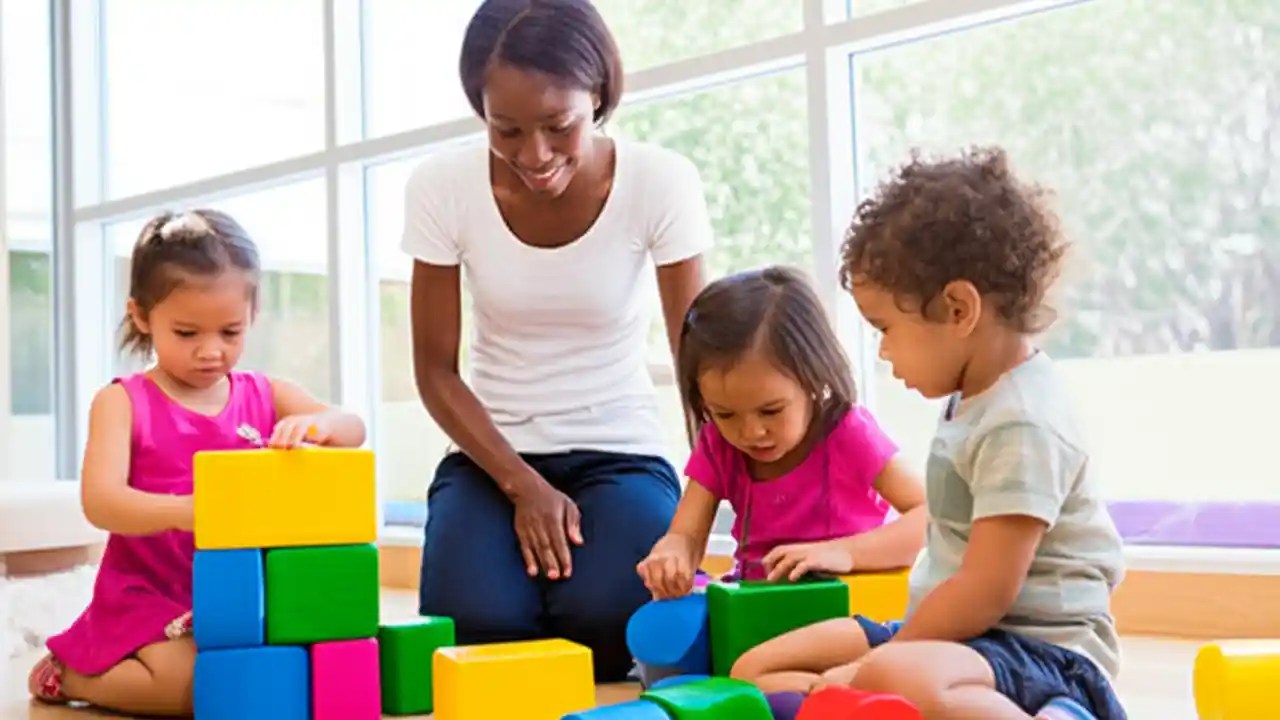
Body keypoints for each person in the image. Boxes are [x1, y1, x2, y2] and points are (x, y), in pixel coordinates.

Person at [760, 147, 1127, 720]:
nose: (882, 350)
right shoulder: (975, 393)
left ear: (959, 309)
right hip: (955, 637)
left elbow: (985, 591)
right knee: (755, 668)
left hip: (1042, 655)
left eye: (886, 327)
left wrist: (871, 669)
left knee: (890, 672)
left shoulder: (1023, 419)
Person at [405, 0, 712, 682]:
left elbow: (704, 367)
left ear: (598, 95)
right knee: (474, 633)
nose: (533, 156)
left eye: (558, 126)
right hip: (491, 454)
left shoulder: (661, 181)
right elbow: (434, 370)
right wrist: (522, 485)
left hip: (620, 453)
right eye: (505, 130)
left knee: (615, 628)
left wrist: (707, 510)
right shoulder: (441, 186)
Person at [27, 210, 367, 716]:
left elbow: (354, 430)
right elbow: (101, 503)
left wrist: (320, 427)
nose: (211, 352)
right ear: (142, 316)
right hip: (152, 591)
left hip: (247, 590)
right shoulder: (123, 402)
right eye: (187, 333)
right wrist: (190, 510)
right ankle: (72, 671)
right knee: (194, 688)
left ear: (252, 314)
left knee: (265, 673)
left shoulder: (267, 393)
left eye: (230, 332)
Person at [635, 266, 928, 685]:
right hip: (758, 614)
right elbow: (686, 533)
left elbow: (927, 519)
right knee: (665, 649)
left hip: (843, 620)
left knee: (755, 679)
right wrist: (672, 555)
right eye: (724, 414)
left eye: (771, 410)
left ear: (813, 379)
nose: (750, 432)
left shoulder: (847, 432)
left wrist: (844, 552)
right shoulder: (720, 445)